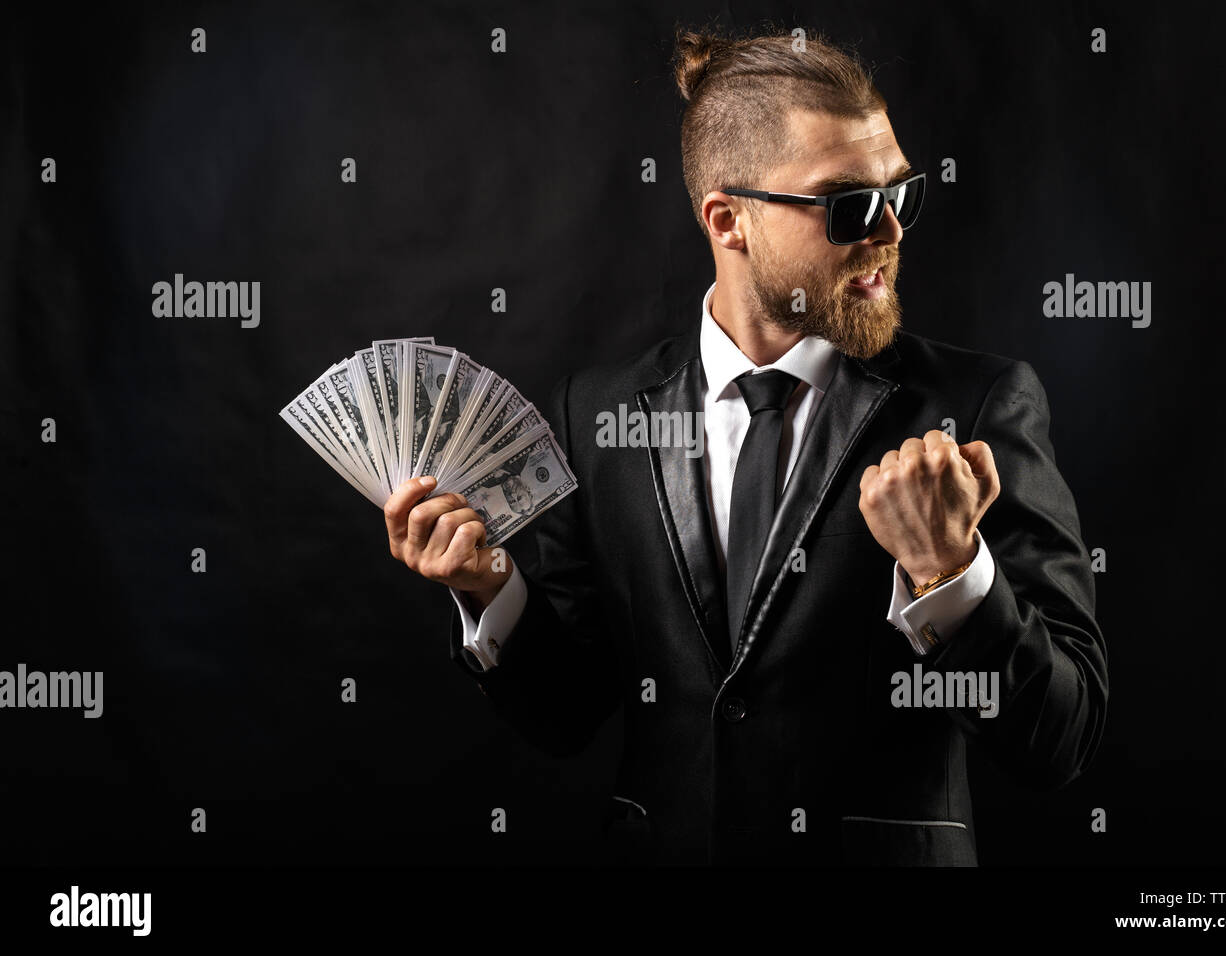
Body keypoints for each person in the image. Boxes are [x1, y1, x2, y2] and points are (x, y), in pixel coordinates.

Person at [383, 25, 1107, 865]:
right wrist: (491, 588)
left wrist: (955, 575)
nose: (890, 233)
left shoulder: (977, 406)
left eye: (899, 195)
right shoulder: (598, 412)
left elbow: (1063, 738)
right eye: (848, 205)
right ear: (727, 220)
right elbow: (566, 714)